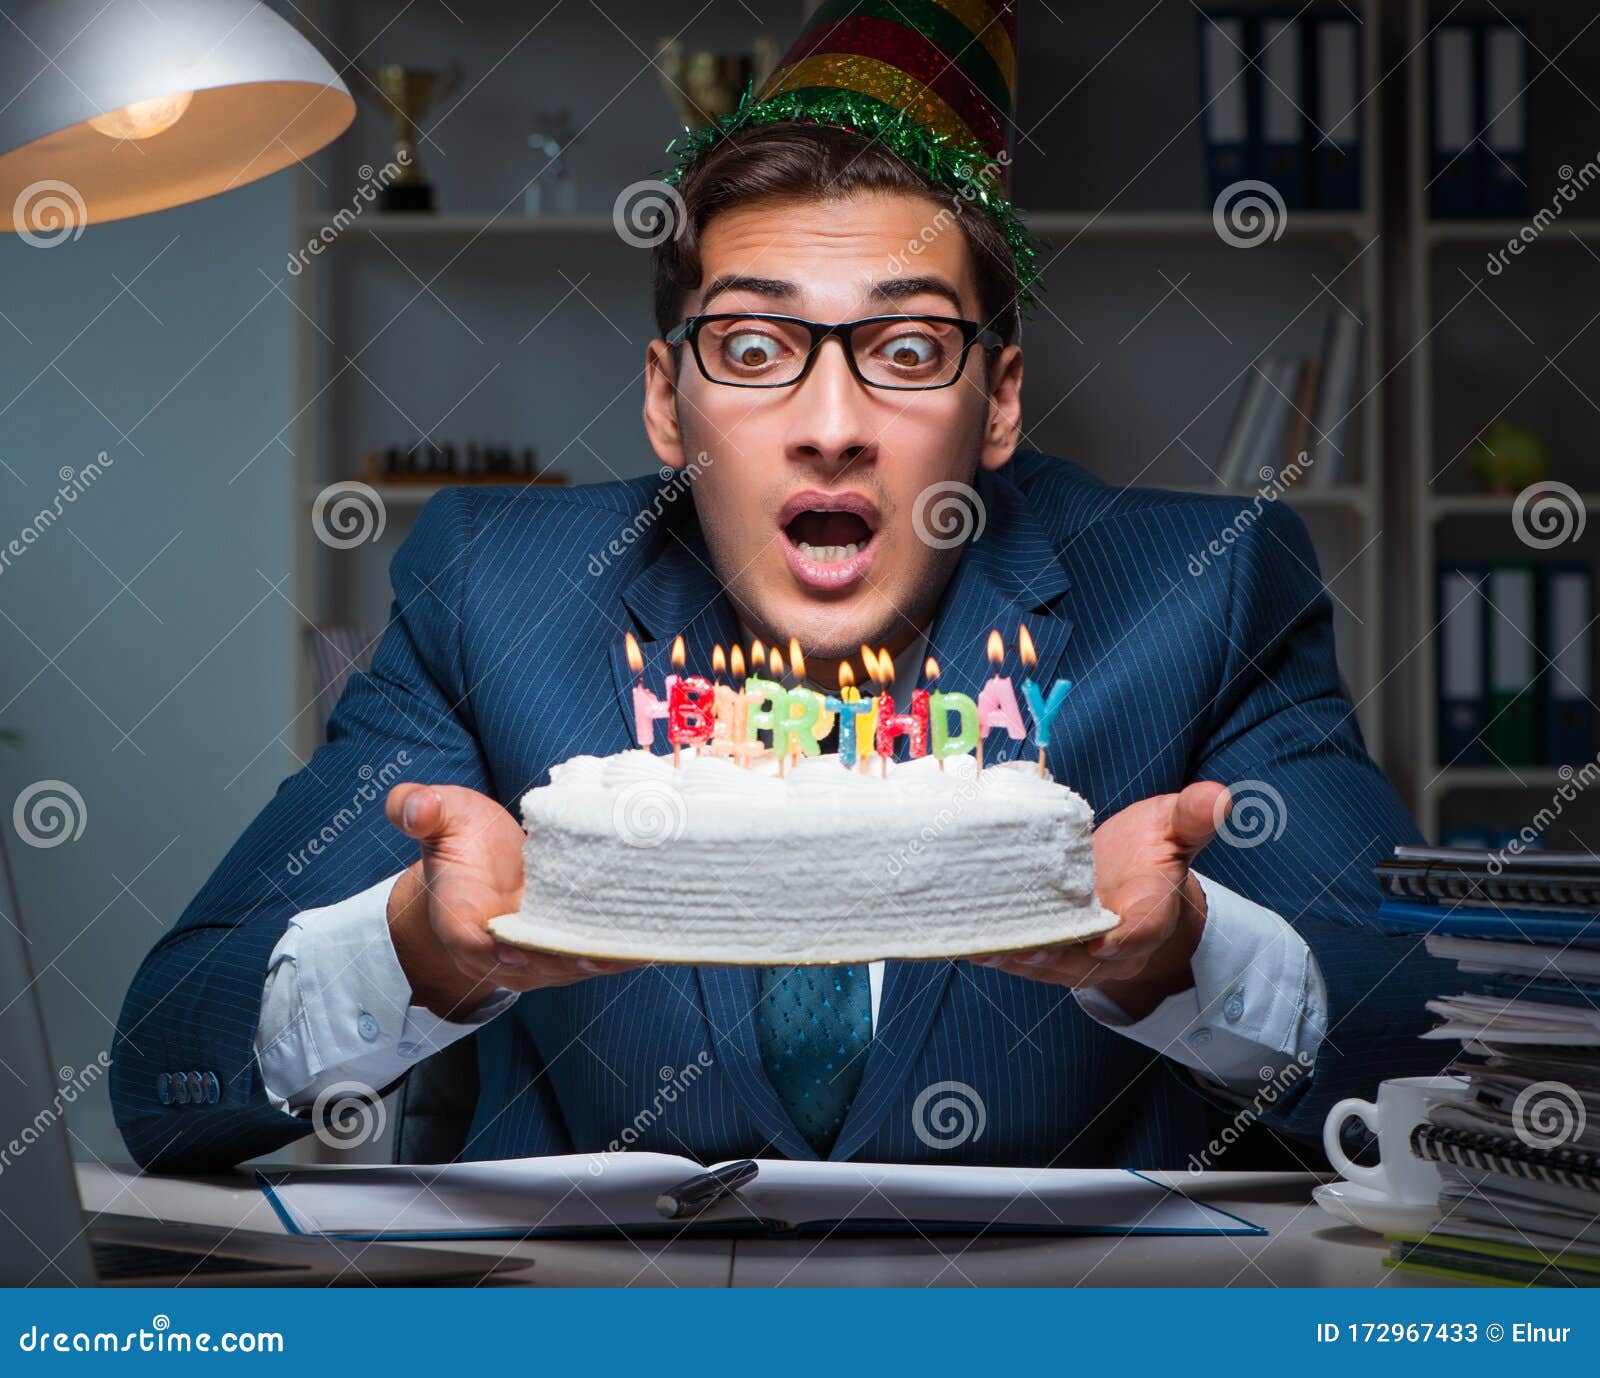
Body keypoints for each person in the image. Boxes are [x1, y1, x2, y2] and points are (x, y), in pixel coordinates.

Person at [112, 0, 1454, 1171]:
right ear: (667, 401)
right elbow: (165, 1067)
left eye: (908, 349)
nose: (830, 424)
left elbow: (1446, 1051)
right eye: (754, 347)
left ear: (999, 401)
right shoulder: (501, 599)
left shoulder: (1199, 598)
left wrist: (1190, 957)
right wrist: (416, 946)